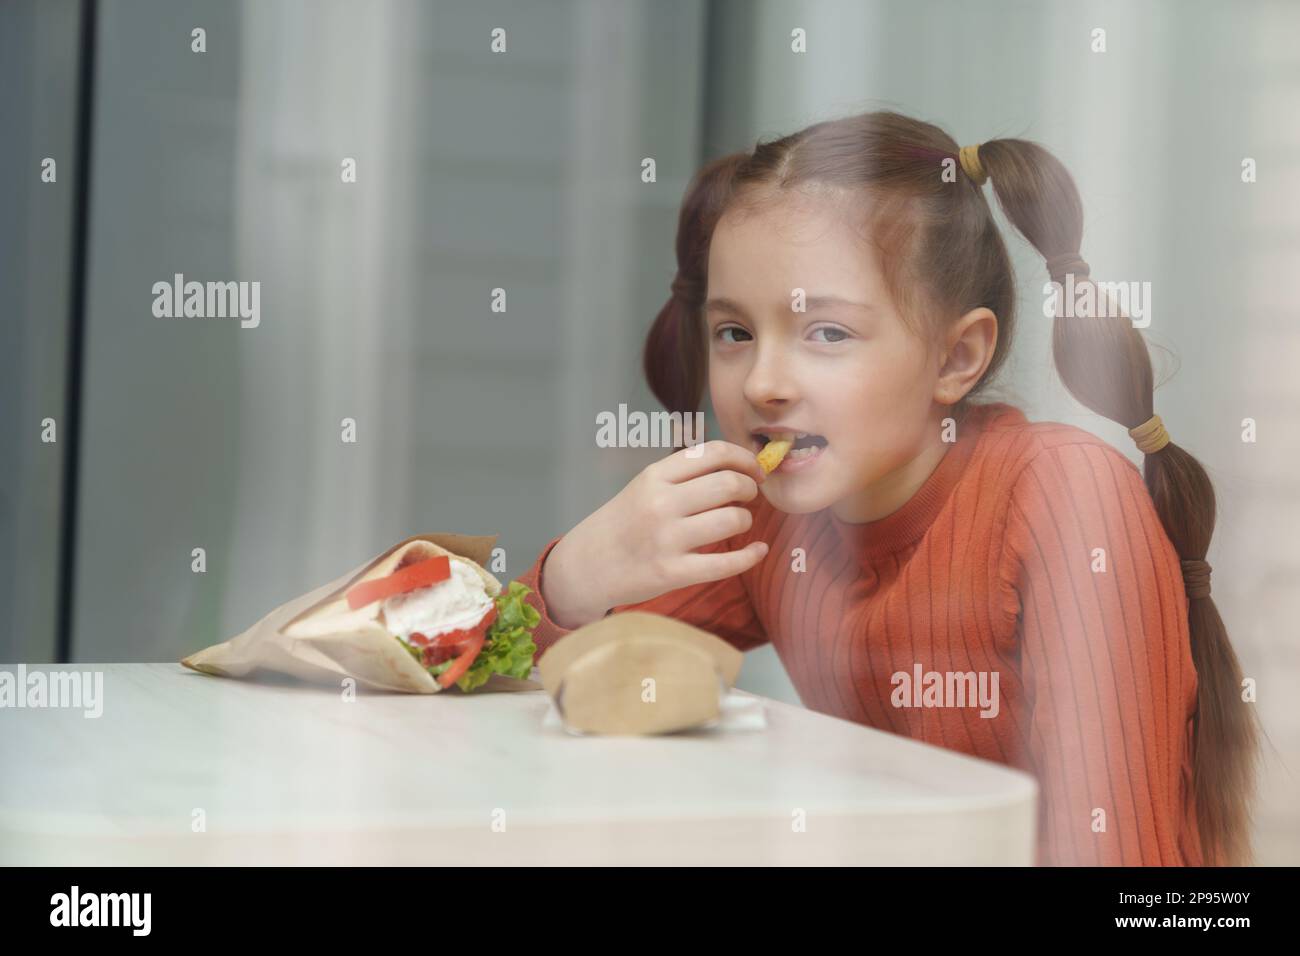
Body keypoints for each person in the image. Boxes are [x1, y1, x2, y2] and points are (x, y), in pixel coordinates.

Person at [517, 111, 1259, 866]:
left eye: (827, 333)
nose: (765, 384)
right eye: (734, 333)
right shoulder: (769, 522)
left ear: (956, 357)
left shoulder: (1066, 502)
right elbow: (497, 682)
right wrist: (573, 577)